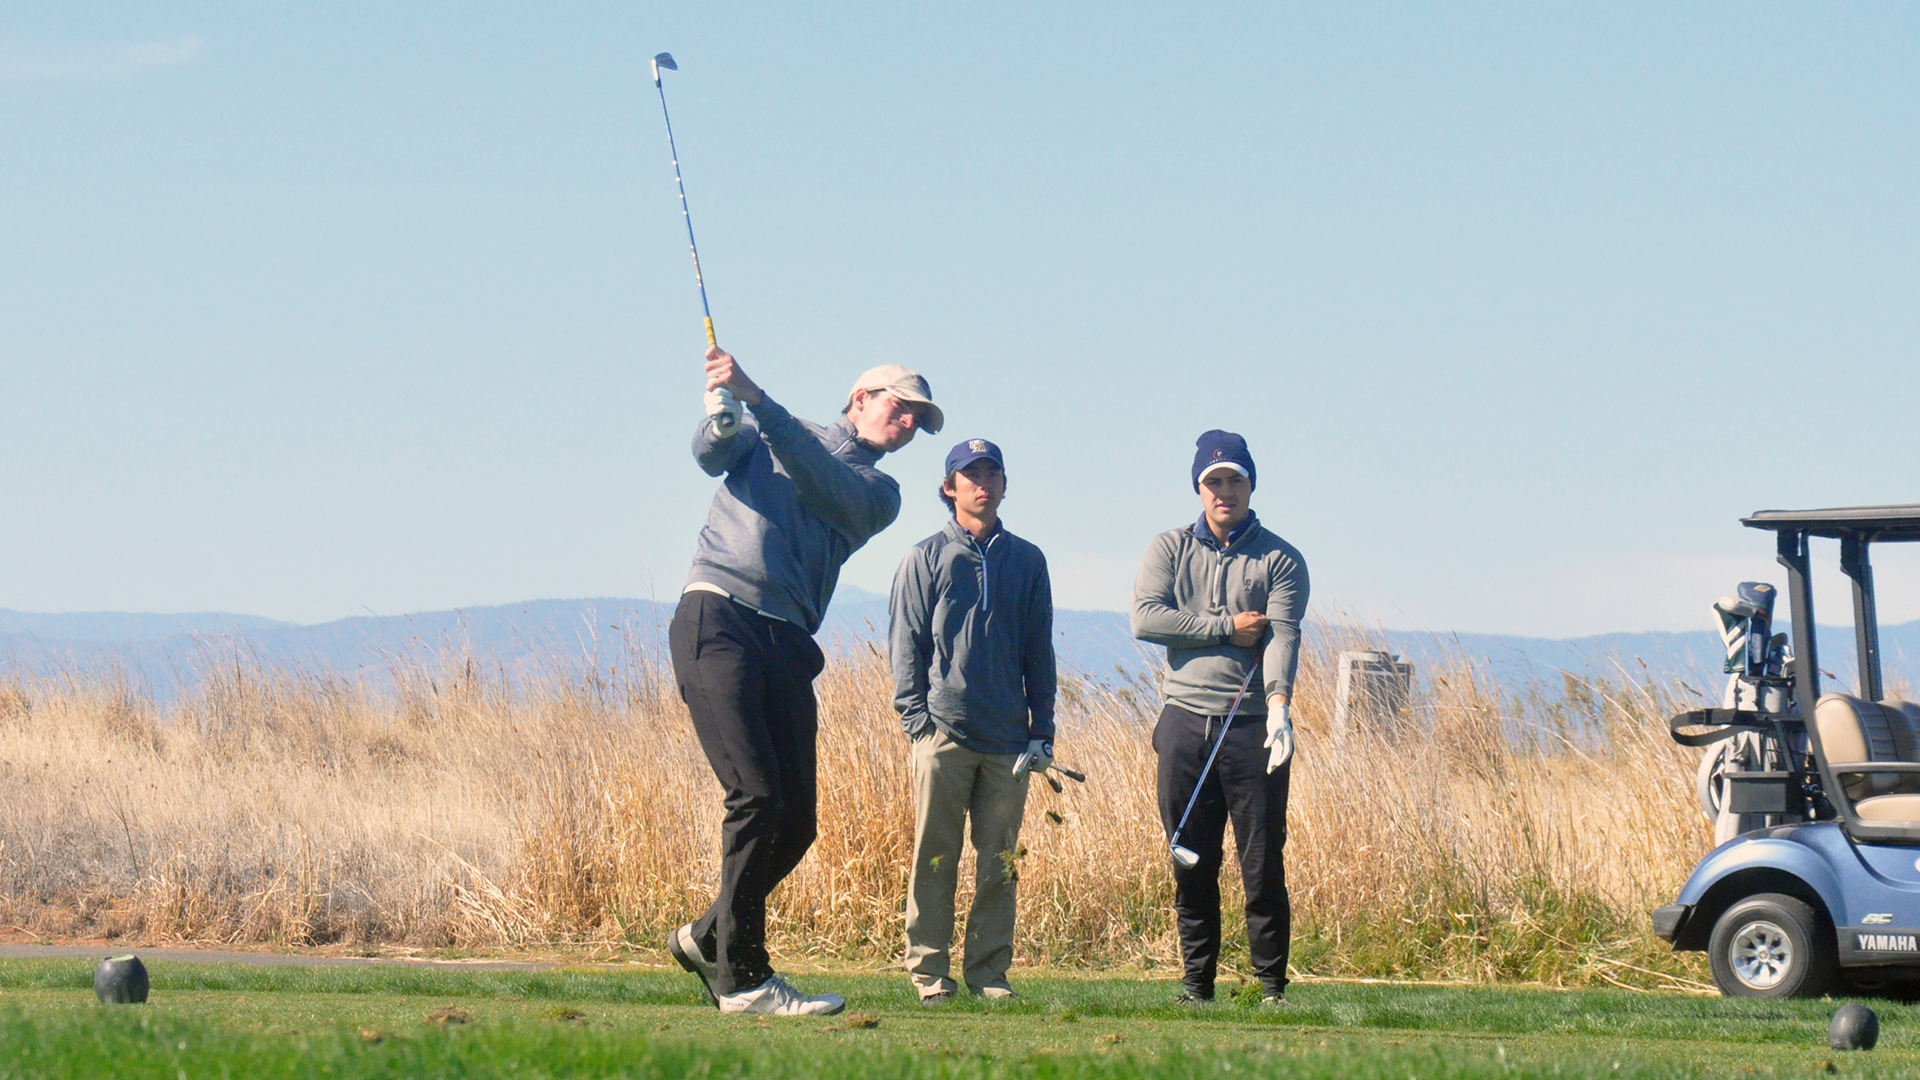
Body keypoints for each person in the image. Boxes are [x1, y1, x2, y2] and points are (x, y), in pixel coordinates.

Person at [667, 345, 942, 1017]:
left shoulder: (880, 494)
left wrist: (757, 402)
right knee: (756, 797)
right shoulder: (766, 430)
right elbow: (708, 453)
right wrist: (724, 421)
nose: (905, 425)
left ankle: (707, 937)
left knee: (796, 824)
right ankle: (742, 978)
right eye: (899, 408)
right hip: (719, 618)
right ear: (859, 398)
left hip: (788, 641)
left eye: (916, 421)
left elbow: (822, 482)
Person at [1130, 429, 1309, 1007]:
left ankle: (1271, 987)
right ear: (1199, 489)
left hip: (1253, 726)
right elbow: (1147, 620)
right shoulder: (1168, 548)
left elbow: (1283, 635)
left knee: (1261, 862)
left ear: (1251, 484)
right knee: (1190, 859)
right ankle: (1196, 985)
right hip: (1184, 721)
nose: (1224, 491)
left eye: (1234, 479)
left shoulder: (1280, 557)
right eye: (1213, 482)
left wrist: (1280, 704)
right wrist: (1225, 629)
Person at [889, 438, 1056, 1005]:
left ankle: (989, 975)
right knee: (935, 857)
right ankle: (930, 974)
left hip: (1010, 740)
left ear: (1005, 484)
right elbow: (906, 645)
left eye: (992, 473)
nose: (982, 483)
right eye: (970, 474)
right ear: (949, 487)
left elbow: (1040, 649)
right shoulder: (926, 557)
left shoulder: (1029, 560)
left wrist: (1043, 730)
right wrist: (917, 722)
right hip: (944, 731)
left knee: (1000, 864)